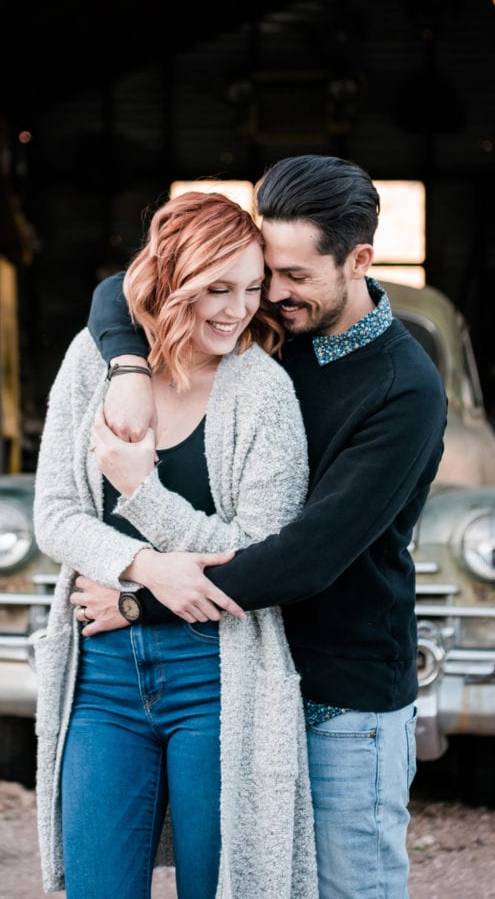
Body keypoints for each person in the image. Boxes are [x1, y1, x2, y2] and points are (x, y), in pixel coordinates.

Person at [76, 155, 449, 899]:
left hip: (341, 698)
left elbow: (302, 560)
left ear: (359, 262)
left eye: (295, 277)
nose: (270, 296)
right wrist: (126, 366)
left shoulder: (403, 388)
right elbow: (122, 290)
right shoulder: (267, 331)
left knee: (350, 891)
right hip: (242, 678)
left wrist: (137, 598)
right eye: (263, 272)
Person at [32, 190, 319, 899]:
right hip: (99, 681)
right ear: (172, 282)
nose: (236, 309)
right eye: (216, 288)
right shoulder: (93, 364)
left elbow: (257, 556)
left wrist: (142, 493)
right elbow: (55, 515)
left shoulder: (263, 394)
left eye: (252, 289)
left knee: (221, 886)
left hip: (218, 676)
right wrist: (145, 567)